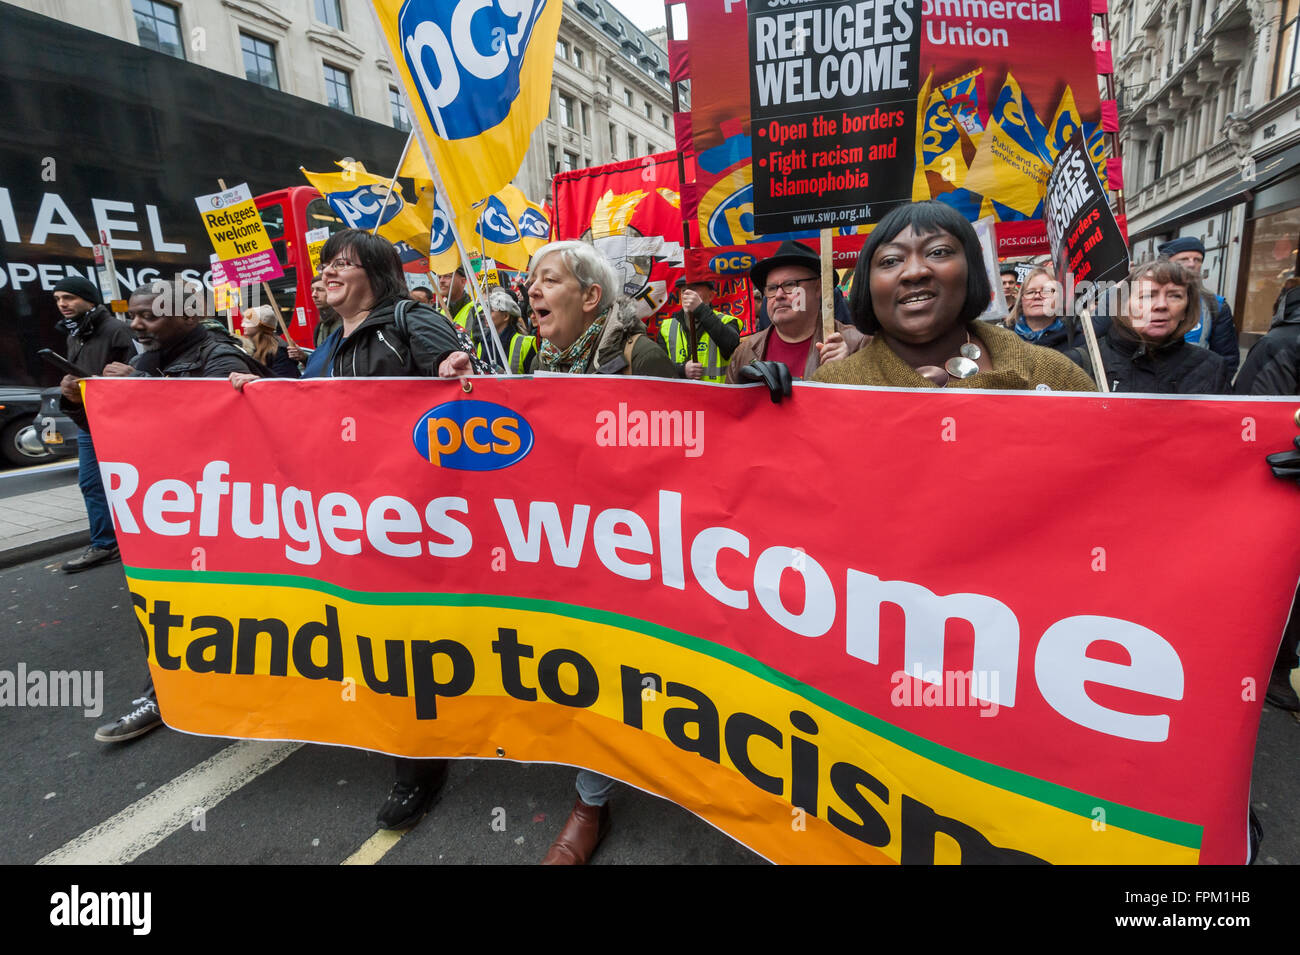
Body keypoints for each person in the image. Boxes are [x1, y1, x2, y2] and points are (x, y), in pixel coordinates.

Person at [230, 229, 481, 829]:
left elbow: (457, 377)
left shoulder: (409, 319)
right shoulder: (325, 340)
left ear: (378, 272)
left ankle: (418, 764)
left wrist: (451, 367)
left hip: (407, 516)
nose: (328, 272)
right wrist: (262, 392)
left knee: (403, 641)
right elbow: (308, 411)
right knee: (364, 633)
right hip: (343, 517)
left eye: (343, 263)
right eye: (325, 264)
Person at [523, 239, 678, 864]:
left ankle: (591, 803)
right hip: (561, 550)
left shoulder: (641, 357)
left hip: (633, 552)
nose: (532, 289)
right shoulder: (534, 358)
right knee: (582, 672)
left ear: (591, 296)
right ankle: (596, 785)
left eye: (549, 279)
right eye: (531, 279)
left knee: (623, 672)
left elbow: (684, 460)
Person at [62, 278, 269, 742]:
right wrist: (78, 404)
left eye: (149, 316)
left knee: (218, 605)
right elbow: (116, 430)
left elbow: (219, 420)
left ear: (189, 316)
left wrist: (141, 386)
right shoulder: (145, 361)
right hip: (168, 509)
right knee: (168, 607)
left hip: (222, 507)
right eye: (133, 316)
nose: (136, 325)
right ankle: (164, 694)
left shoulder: (222, 356)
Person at [806, 201, 1097, 392]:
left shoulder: (1056, 379)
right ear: (867, 285)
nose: (915, 272)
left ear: (972, 270)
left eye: (938, 252)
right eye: (891, 260)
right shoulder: (833, 389)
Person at [51, 275, 136, 573]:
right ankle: (105, 544)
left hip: (119, 421)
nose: (62, 304)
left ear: (89, 300)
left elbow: (136, 377)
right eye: (58, 299)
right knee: (91, 483)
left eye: (69, 297)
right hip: (89, 421)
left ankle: (143, 538)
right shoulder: (74, 333)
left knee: (134, 482)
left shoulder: (117, 330)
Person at [1064, 259, 1231, 394]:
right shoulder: (1080, 363)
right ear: (1124, 305)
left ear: (1186, 310)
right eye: (1147, 296)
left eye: (1175, 296)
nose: (1161, 305)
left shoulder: (1211, 368)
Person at [727, 240, 866, 391]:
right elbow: (729, 405)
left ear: (819, 288)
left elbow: (879, 402)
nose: (778, 295)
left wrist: (851, 369)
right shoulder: (744, 352)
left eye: (790, 284)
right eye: (772, 288)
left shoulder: (858, 344)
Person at [1157, 236, 1239, 377]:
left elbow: (1227, 359)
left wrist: (1211, 386)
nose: (1191, 264)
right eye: (1184, 259)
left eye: (1197, 260)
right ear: (1165, 264)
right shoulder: (1143, 299)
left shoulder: (1216, 305)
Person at [1008, 266, 1109, 354]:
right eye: (1030, 292)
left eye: (1047, 291)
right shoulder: (1004, 337)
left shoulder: (1080, 339)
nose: (1037, 296)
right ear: (1021, 300)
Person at [659, 277, 743, 382]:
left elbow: (731, 346)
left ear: (711, 296)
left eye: (694, 290)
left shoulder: (727, 321)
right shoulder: (667, 326)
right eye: (684, 291)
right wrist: (682, 370)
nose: (688, 295)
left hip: (716, 391)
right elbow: (659, 366)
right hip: (680, 392)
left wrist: (700, 309)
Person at [472, 287, 536, 373]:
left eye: (491, 310)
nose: (484, 314)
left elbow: (534, 379)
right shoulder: (483, 343)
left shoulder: (525, 344)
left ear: (506, 316)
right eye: (485, 310)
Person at [240, 305, 301, 378]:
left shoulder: (279, 351)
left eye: (247, 322)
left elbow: (283, 381)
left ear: (261, 326)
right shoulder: (249, 348)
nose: (242, 325)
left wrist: (256, 379)